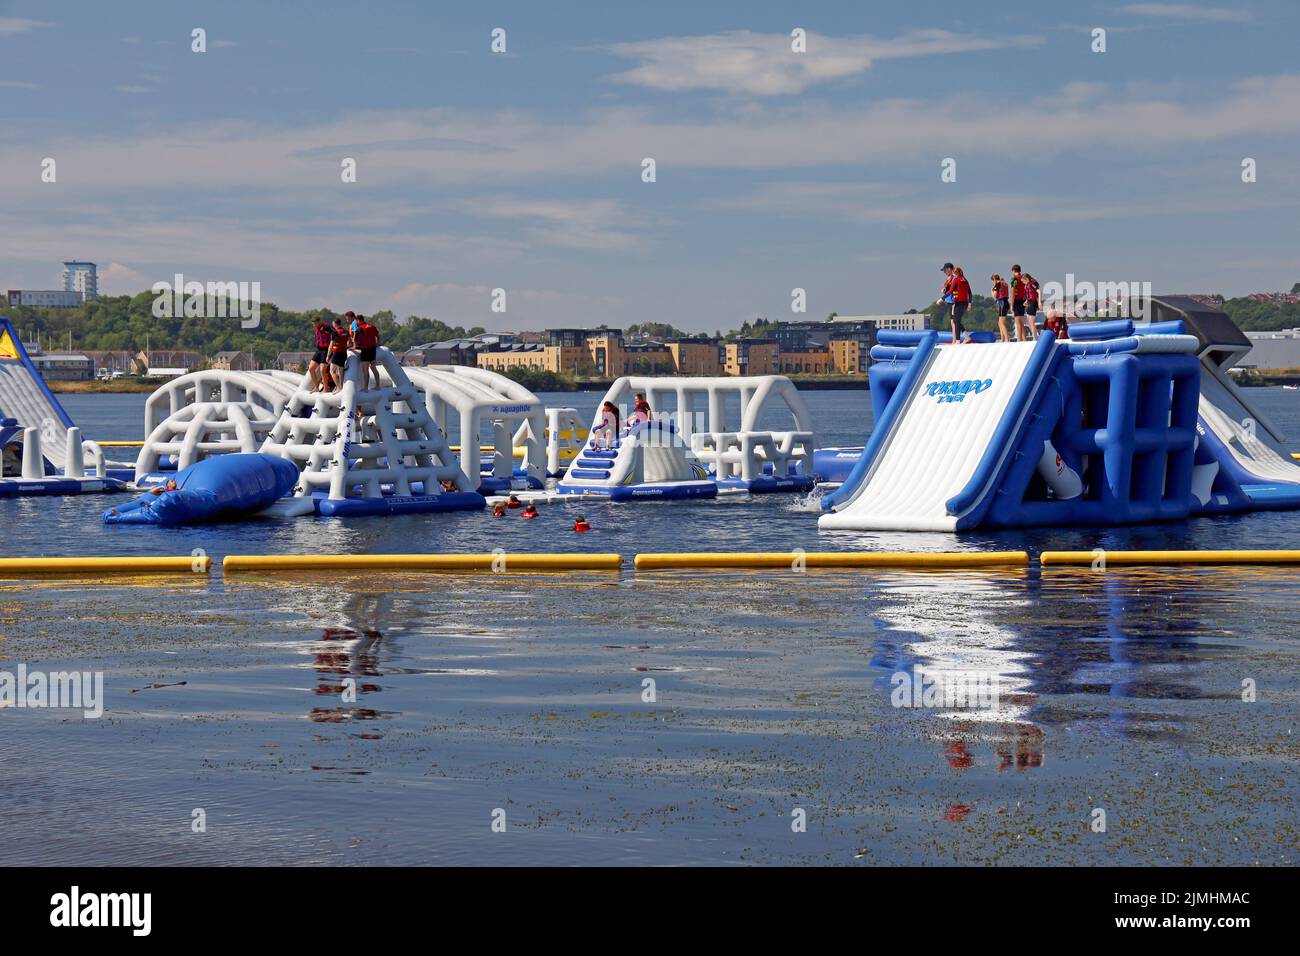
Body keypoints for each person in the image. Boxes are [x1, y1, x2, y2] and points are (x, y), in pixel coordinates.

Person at [353, 314, 381, 390]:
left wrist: (354, 347)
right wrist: (377, 343)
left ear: (358, 320)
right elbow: (377, 335)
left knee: (365, 369)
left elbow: (355, 339)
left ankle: (365, 387)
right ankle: (378, 385)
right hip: (373, 349)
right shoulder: (371, 326)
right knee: (373, 367)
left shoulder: (360, 328)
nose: (355, 323)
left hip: (365, 350)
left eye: (355, 321)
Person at [326, 316, 351, 391]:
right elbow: (350, 342)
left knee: (332, 371)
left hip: (336, 353)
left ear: (334, 324)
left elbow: (331, 345)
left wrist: (328, 356)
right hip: (344, 353)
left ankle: (338, 387)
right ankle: (341, 387)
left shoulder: (335, 332)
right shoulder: (346, 332)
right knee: (340, 371)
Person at [309, 315, 332, 390]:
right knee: (311, 368)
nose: (313, 324)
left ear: (318, 322)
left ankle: (325, 389)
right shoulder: (316, 329)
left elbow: (334, 333)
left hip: (326, 350)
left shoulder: (325, 327)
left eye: (314, 323)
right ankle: (316, 387)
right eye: (313, 323)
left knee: (322, 370)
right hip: (319, 350)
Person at [1009, 265, 1032, 341]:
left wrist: (1011, 304)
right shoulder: (1023, 278)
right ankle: (1024, 338)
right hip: (1023, 300)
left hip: (1017, 300)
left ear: (1013, 271)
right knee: (1021, 321)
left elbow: (1012, 291)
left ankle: (1019, 339)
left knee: (1018, 321)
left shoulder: (1014, 279)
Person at [991, 274, 1011, 342]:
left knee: (1002, 323)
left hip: (1002, 303)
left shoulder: (998, 284)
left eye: (992, 281)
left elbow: (995, 296)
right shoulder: (1004, 283)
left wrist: (992, 290)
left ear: (994, 279)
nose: (993, 283)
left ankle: (1007, 339)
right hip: (1004, 302)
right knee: (999, 323)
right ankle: (1002, 339)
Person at [1022, 272, 1040, 338]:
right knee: (1028, 322)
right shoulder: (1026, 285)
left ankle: (1035, 337)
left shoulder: (1032, 284)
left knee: (1031, 321)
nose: (1023, 282)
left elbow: (1038, 291)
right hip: (1029, 302)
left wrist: (1039, 302)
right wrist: (1026, 301)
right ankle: (1035, 335)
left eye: (1023, 281)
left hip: (1033, 303)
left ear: (1026, 279)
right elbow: (1028, 295)